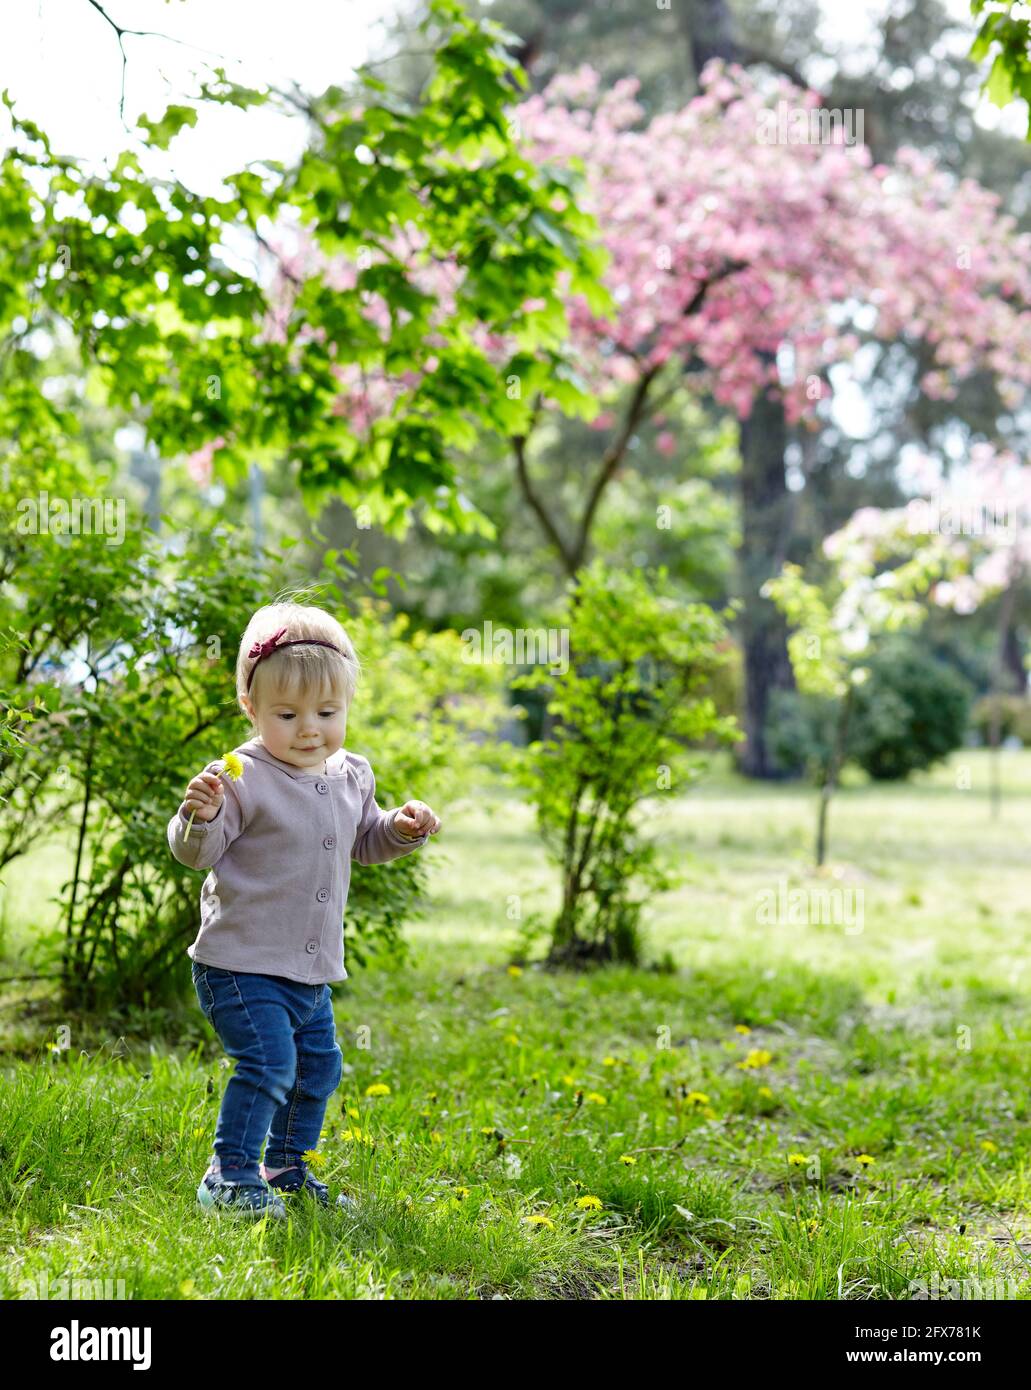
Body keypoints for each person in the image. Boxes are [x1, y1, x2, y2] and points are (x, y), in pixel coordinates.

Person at [167, 601, 441, 1218]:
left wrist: (400, 827)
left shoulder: (352, 775)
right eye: (287, 715)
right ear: (251, 708)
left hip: (310, 969)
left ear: (346, 707)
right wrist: (196, 817)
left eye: (327, 712)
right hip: (240, 963)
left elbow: (364, 842)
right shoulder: (237, 776)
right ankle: (229, 1178)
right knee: (269, 1061)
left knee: (317, 1069)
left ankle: (284, 1168)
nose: (309, 728)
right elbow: (196, 853)